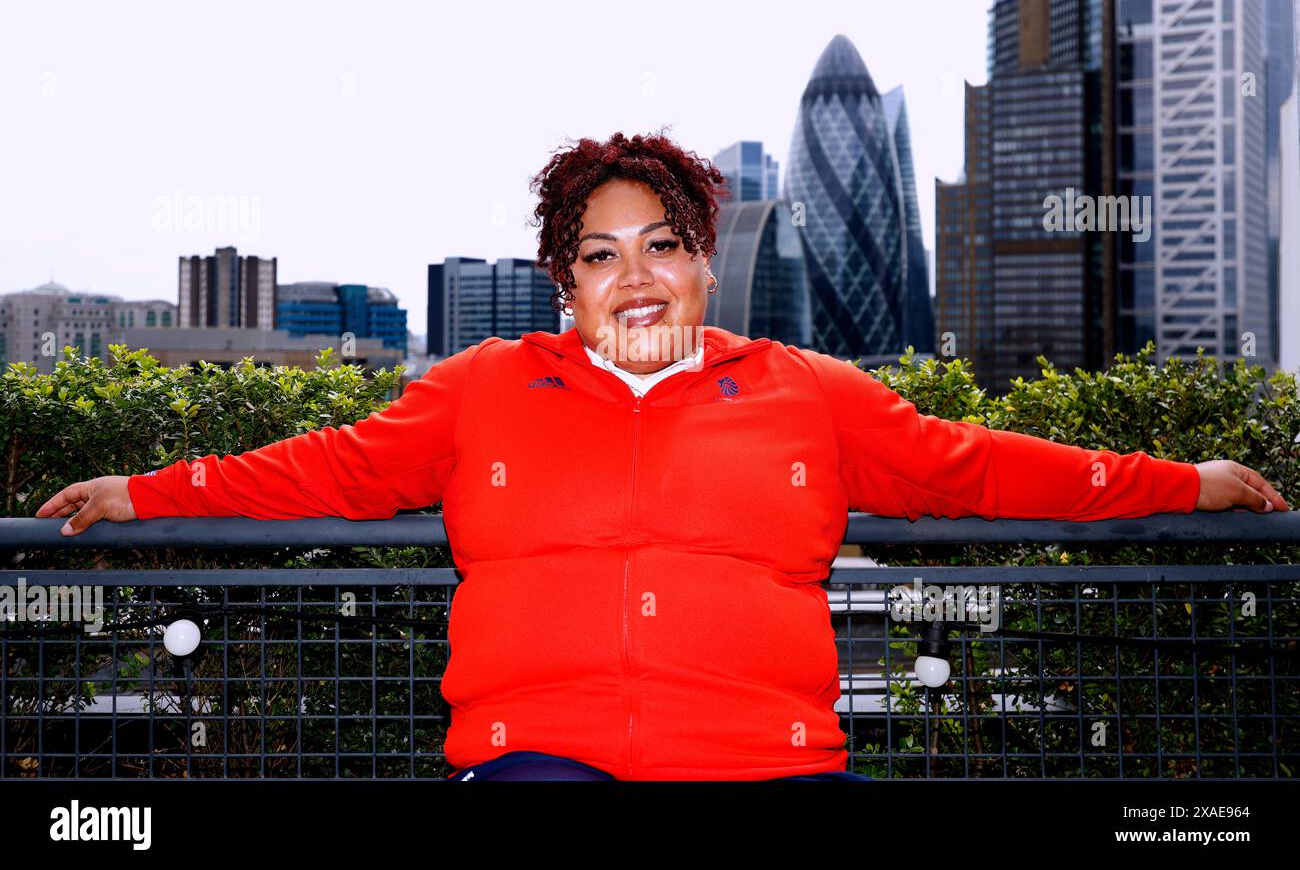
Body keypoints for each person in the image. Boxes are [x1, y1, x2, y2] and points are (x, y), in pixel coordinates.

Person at [37, 130, 1290, 782]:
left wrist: (1184, 481)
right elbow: (325, 467)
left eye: (660, 244)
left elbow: (973, 465)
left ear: (704, 258)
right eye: (599, 252)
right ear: (564, 281)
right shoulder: (483, 385)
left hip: (761, 754)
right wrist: (142, 487)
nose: (632, 275)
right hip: (536, 749)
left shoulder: (806, 389)